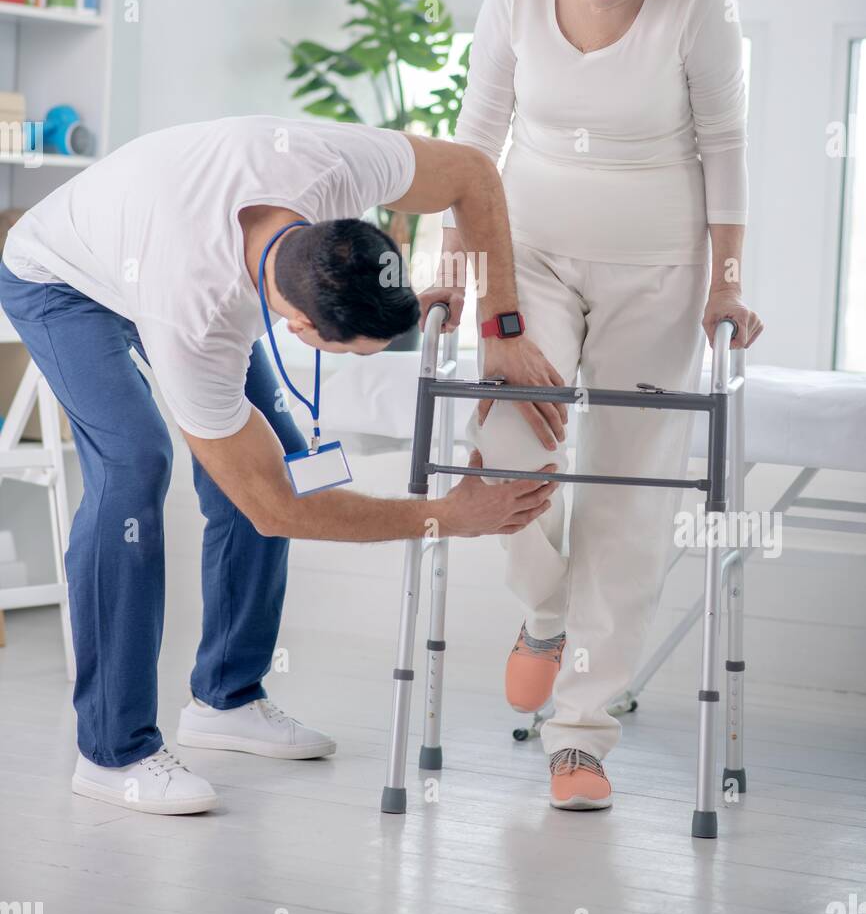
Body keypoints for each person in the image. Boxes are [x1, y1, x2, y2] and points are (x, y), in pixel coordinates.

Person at [0, 116, 559, 815]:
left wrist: (500, 327)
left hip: (142, 236)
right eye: (357, 349)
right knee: (134, 465)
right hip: (58, 275)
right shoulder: (197, 318)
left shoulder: (335, 167)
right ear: (302, 330)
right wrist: (446, 517)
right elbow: (275, 506)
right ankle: (114, 753)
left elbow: (474, 173)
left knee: (284, 455)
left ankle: (226, 700)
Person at [425, 0, 764, 812]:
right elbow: (477, 126)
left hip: (658, 268)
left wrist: (726, 286)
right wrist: (458, 273)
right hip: (525, 249)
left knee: (628, 492)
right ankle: (543, 612)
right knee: (502, 443)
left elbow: (726, 146)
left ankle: (579, 735)